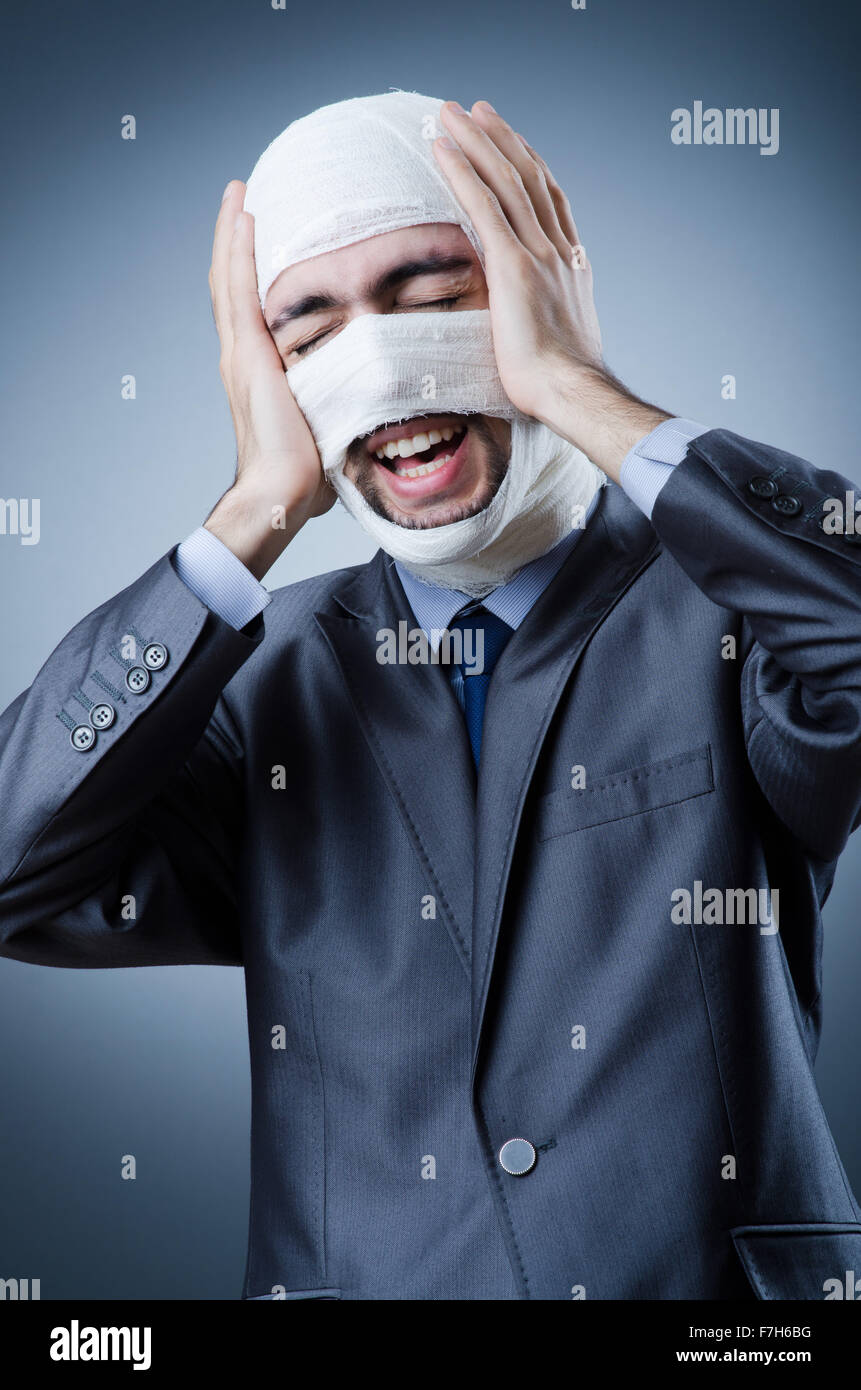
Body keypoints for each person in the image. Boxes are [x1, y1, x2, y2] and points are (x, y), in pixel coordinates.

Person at [1, 91, 859, 1301]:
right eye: (312, 329)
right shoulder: (258, 677)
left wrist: (587, 394)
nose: (385, 365)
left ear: (540, 291)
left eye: (431, 294)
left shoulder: (728, 605)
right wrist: (250, 518)